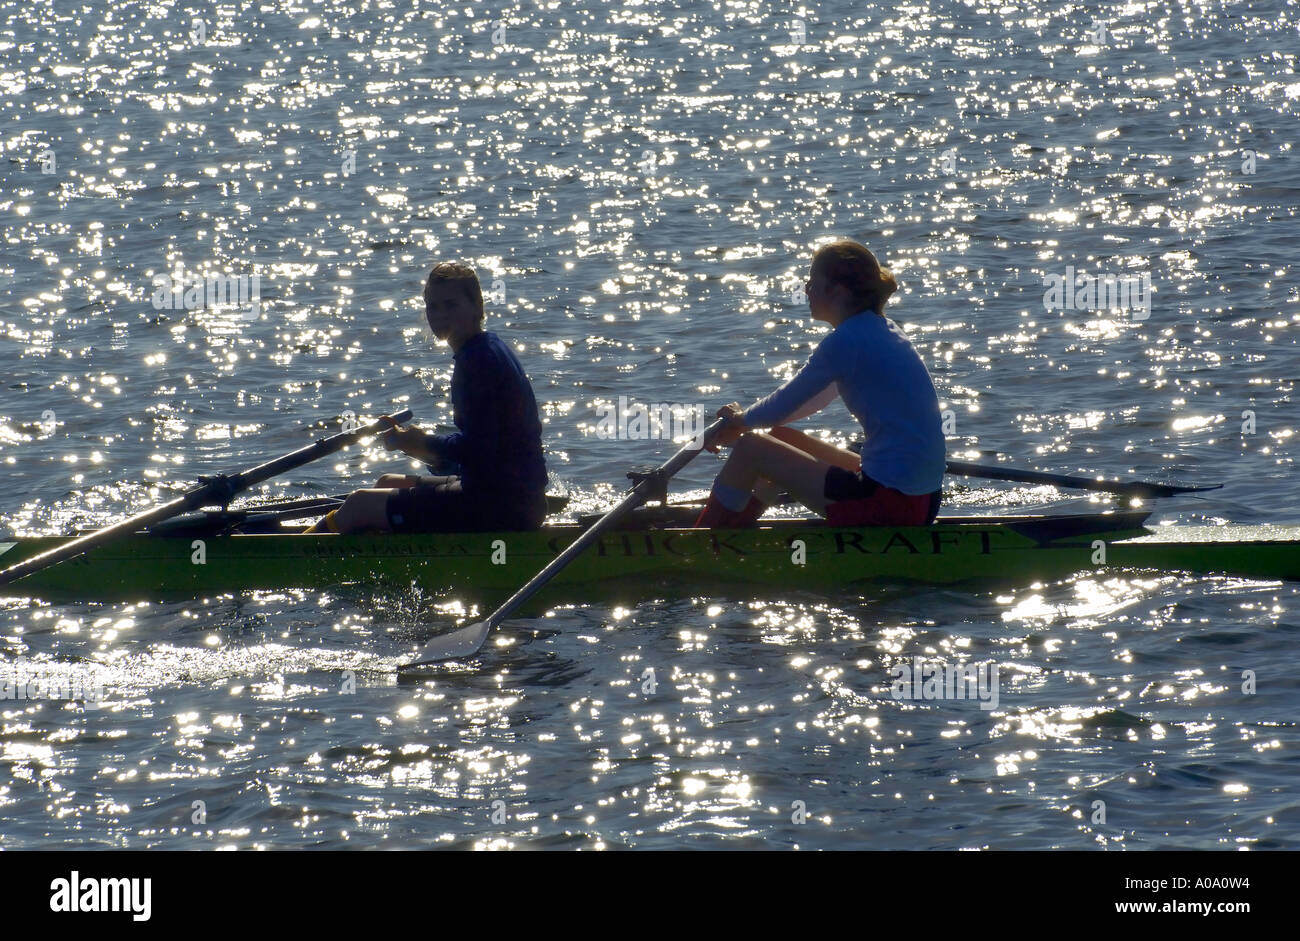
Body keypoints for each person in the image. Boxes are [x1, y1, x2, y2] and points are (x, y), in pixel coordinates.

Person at [694, 240, 945, 528]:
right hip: (920, 499)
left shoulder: (847, 339)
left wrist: (739, 420)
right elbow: (806, 402)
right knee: (779, 436)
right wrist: (745, 421)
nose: (806, 290)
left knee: (751, 448)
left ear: (837, 290)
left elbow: (784, 403)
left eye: (813, 282)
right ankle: (736, 528)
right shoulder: (880, 328)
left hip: (888, 503)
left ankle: (703, 543)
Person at [307, 262, 548, 534]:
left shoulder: (476, 362)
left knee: (358, 505)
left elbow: (478, 450)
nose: (440, 315)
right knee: (387, 482)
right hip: (514, 499)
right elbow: (486, 453)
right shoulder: (488, 347)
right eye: (433, 307)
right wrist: (421, 448)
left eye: (451, 305)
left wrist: (424, 442)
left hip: (501, 507)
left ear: (477, 307)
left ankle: (294, 559)